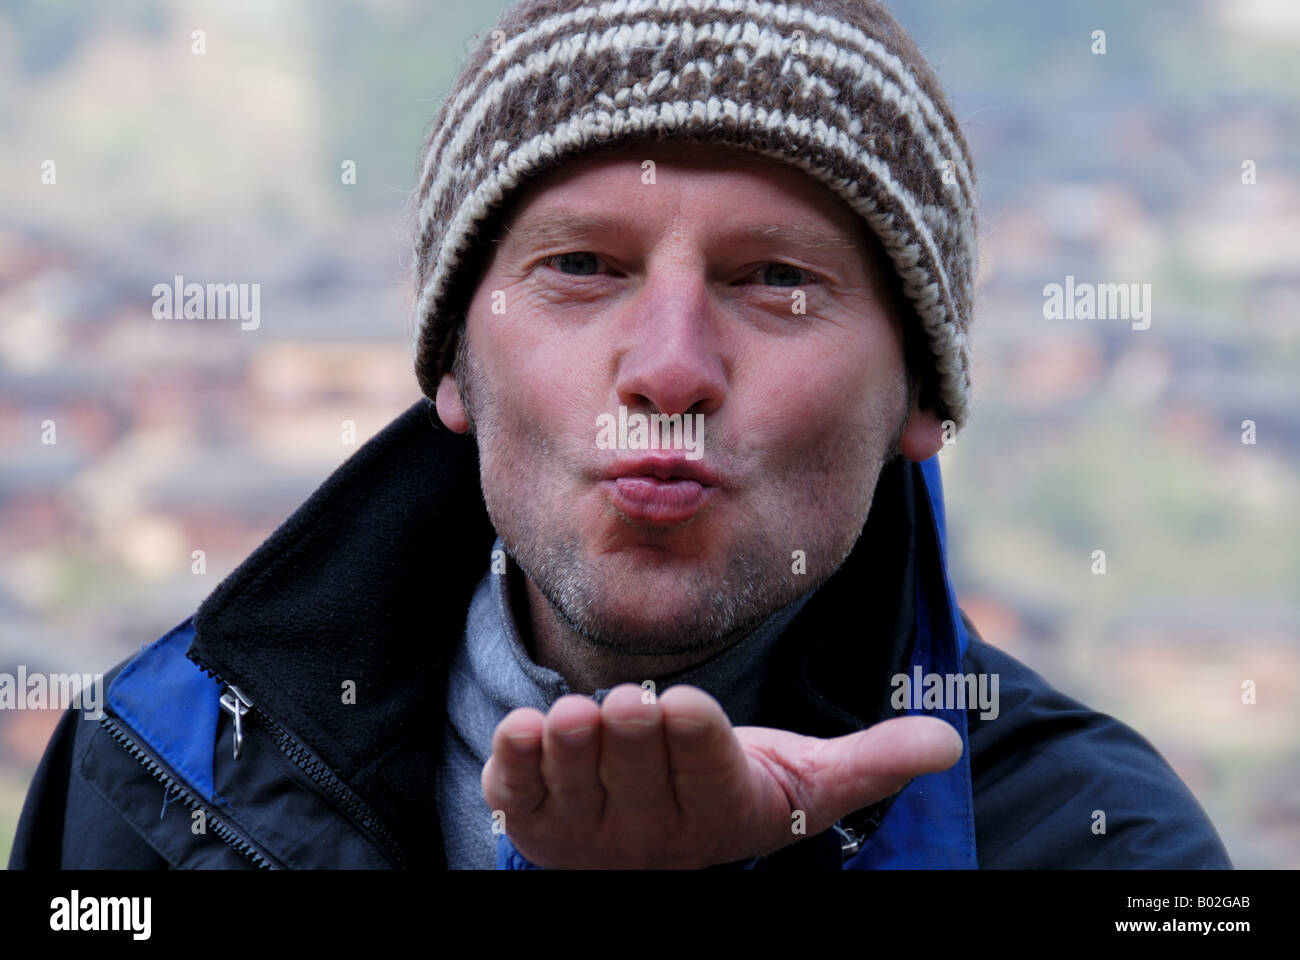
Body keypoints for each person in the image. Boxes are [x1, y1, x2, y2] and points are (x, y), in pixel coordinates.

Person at [10, 0, 1230, 870]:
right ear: (454, 366)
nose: (667, 370)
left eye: (777, 281)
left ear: (922, 397)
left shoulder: (1094, 841)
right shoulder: (162, 782)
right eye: (582, 266)